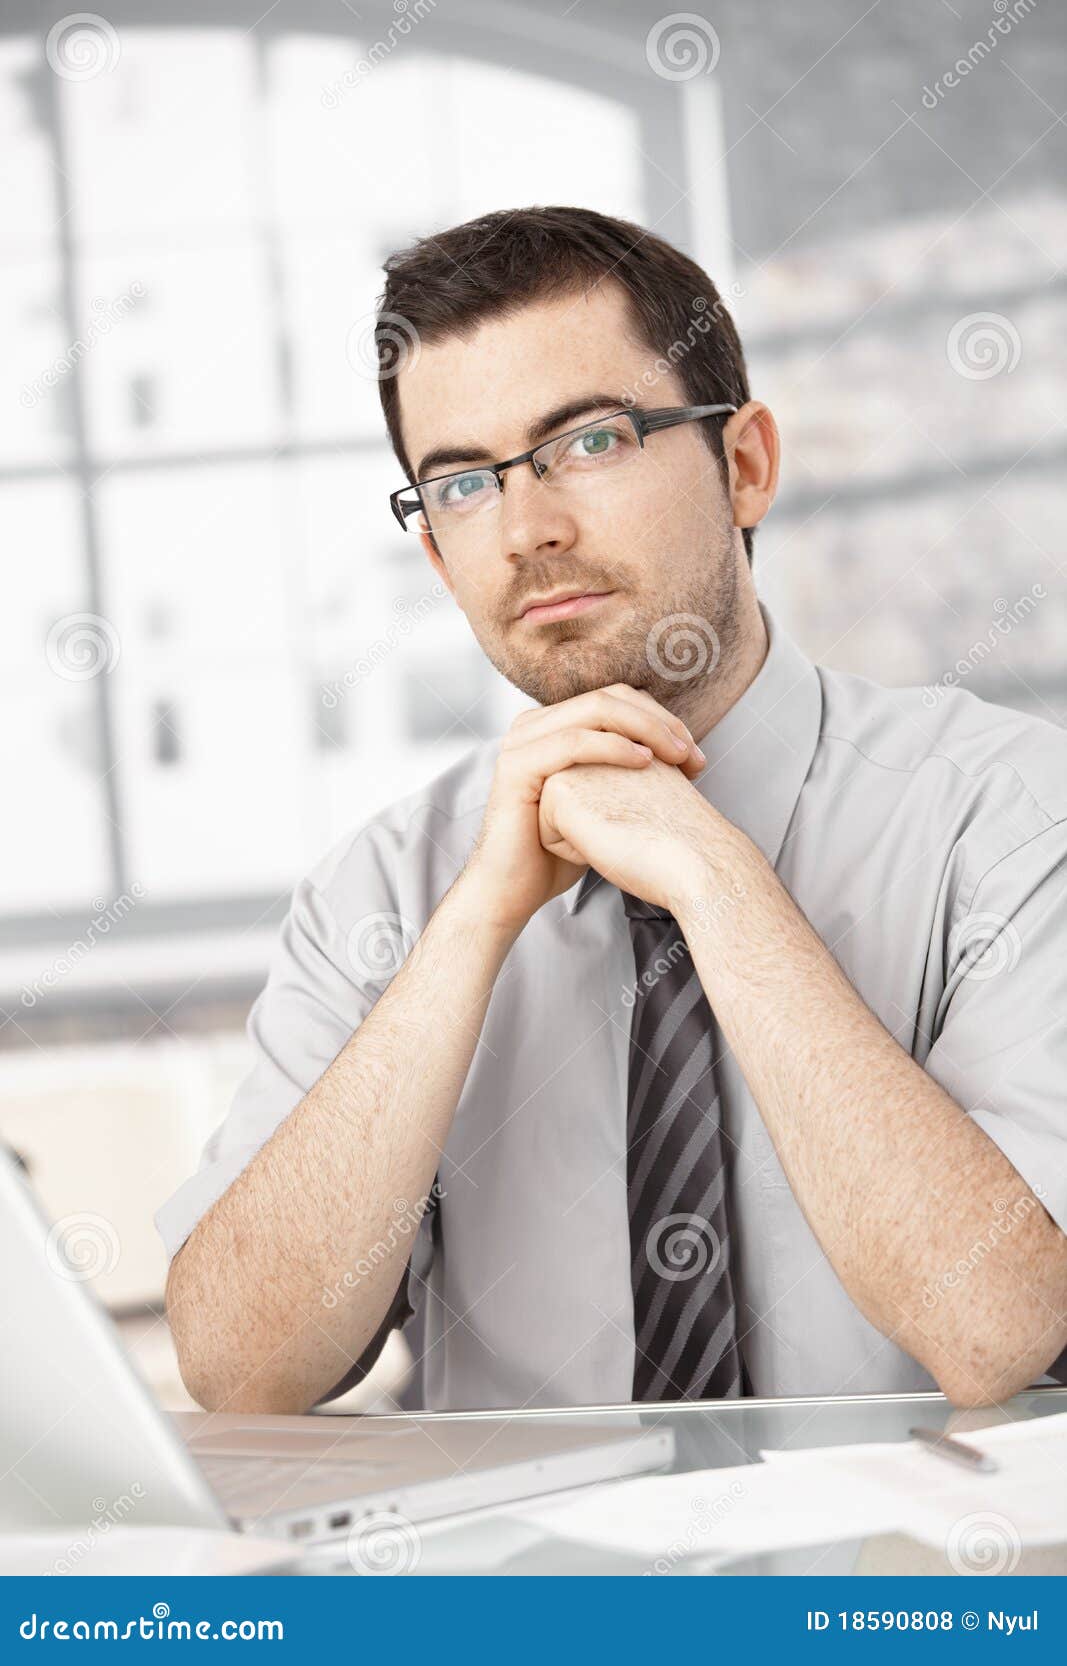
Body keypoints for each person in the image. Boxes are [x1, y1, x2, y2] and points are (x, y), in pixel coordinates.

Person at [159, 206, 1067, 1415]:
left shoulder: (1002, 816)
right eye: (464, 483)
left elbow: (998, 1325)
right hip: (529, 1603)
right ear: (435, 554)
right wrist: (472, 926)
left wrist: (715, 879)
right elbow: (238, 1371)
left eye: (588, 442)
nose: (528, 528)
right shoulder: (379, 893)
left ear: (742, 465)